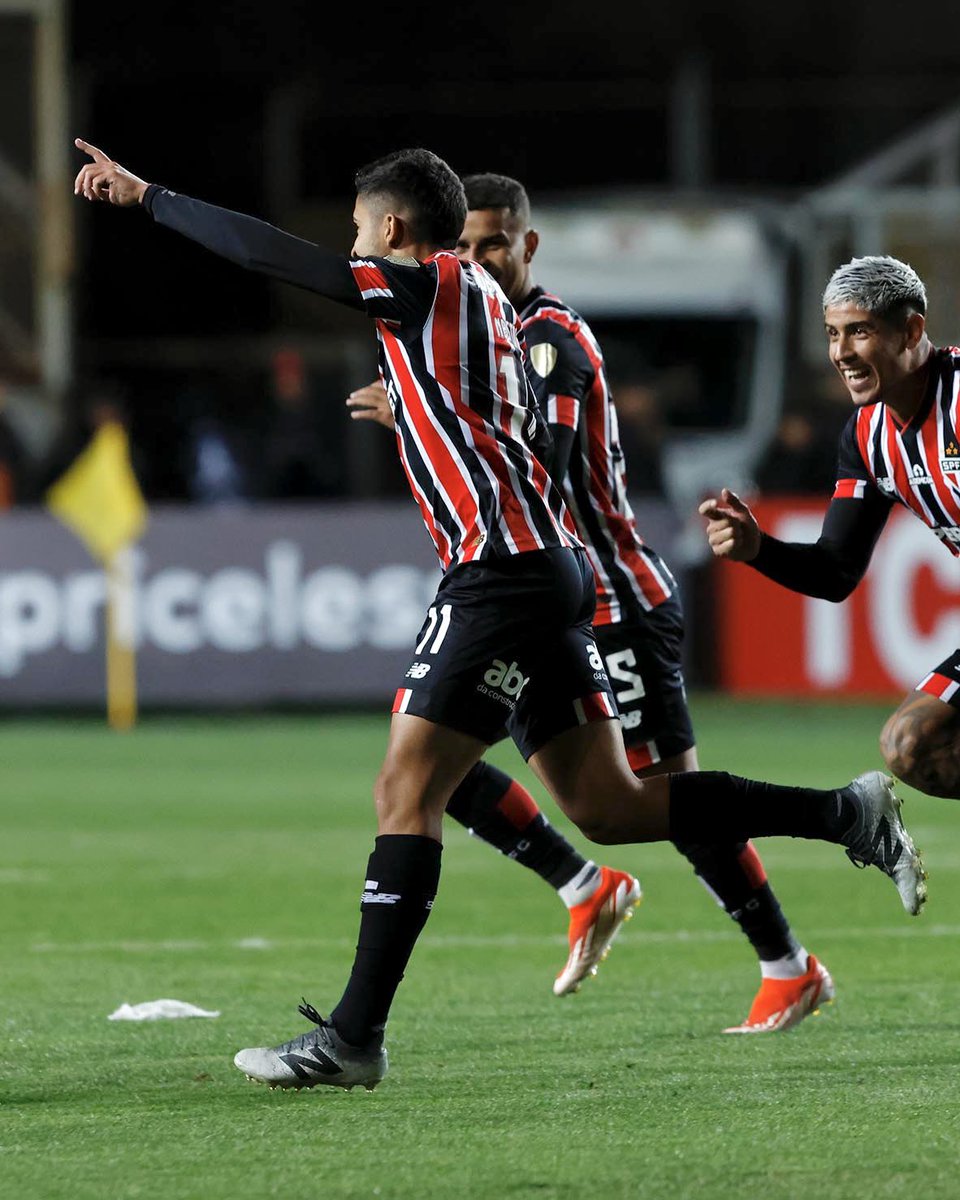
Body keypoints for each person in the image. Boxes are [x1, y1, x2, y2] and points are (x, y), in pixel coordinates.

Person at [75, 141, 925, 1094]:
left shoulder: (426, 284)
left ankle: (354, 1038)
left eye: (358, 229)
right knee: (610, 806)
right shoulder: (482, 301)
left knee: (407, 788)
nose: (351, 247)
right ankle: (844, 812)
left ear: (392, 228)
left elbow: (273, 256)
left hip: (500, 571)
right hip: (547, 568)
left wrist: (150, 197)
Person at [348, 172, 830, 1033]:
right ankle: (586, 885)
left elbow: (548, 461)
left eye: (493, 244)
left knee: (656, 796)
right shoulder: (474, 328)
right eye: (464, 246)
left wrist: (426, 410)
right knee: (436, 767)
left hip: (611, 599)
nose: (476, 260)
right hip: (544, 597)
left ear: (526, 246)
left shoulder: (547, 336)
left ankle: (787, 956)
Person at [700, 255, 960, 801]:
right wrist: (758, 549)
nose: (841, 352)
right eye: (832, 334)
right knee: (913, 745)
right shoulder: (866, 436)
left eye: (860, 331)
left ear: (912, 331)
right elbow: (835, 571)